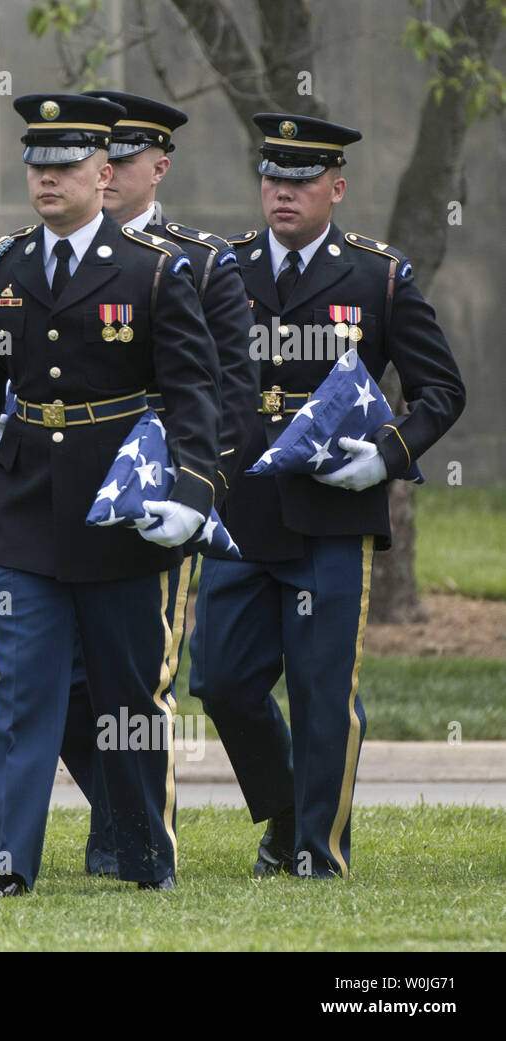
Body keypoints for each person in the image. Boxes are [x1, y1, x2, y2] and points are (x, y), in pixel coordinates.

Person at [0, 93, 221, 895]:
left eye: (65, 164)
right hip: (24, 508)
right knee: (24, 687)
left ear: (105, 173)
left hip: (120, 511)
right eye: (37, 162)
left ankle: (142, 853)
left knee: (127, 694)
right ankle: (7, 861)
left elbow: (194, 394)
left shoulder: (154, 272)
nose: (47, 177)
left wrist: (194, 493)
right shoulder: (3, 268)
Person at [188, 114, 465, 879]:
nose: (283, 192)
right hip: (241, 508)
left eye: (302, 180)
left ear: (335, 189)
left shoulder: (377, 276)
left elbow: (443, 389)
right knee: (220, 679)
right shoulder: (221, 270)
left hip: (332, 515)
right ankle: (283, 810)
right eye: (273, 177)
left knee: (320, 690)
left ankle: (317, 846)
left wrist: (388, 456)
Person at [57, 91, 259, 878]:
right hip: (60, 496)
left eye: (126, 157)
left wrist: (196, 490)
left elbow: (229, 393)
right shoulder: (48, 252)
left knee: (136, 680)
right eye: (94, 156)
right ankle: (116, 814)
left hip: (157, 504)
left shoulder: (200, 262)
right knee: (67, 681)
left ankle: (136, 837)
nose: (106, 172)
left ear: (157, 166)